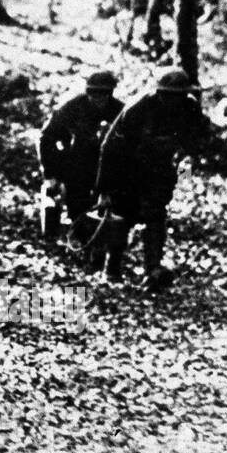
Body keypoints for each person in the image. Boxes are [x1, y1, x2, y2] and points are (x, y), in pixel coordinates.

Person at [93, 66, 210, 289]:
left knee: (155, 214)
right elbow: (110, 148)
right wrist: (105, 190)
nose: (173, 101)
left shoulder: (190, 109)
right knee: (121, 214)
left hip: (160, 171)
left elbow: (195, 142)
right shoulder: (138, 109)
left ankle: (153, 269)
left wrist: (185, 170)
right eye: (168, 95)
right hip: (128, 169)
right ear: (159, 93)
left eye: (178, 96)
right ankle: (112, 268)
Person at [38, 70, 123, 257]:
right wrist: (50, 175)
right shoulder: (73, 107)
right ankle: (71, 242)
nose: (98, 99)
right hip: (76, 164)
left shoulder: (120, 112)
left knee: (106, 209)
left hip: (107, 168)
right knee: (75, 205)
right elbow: (46, 138)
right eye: (94, 94)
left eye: (104, 94)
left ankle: (97, 246)